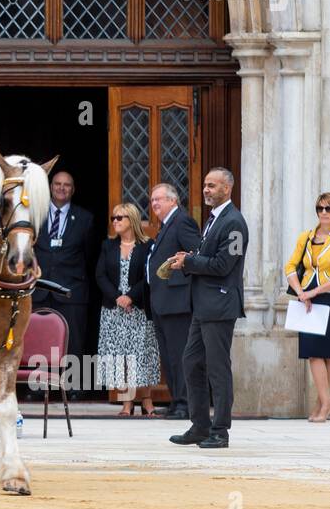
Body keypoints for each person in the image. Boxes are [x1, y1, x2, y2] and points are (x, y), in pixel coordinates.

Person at [166, 167, 248, 449]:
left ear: (228, 188)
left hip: (221, 305)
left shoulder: (234, 223)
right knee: (191, 362)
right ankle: (200, 425)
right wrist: (189, 257)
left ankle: (220, 430)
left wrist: (190, 263)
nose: (207, 190)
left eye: (213, 186)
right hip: (203, 306)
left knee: (217, 368)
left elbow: (225, 265)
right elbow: (209, 257)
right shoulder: (213, 219)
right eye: (205, 185)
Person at [284, 192, 330, 423]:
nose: (324, 212)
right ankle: (327, 403)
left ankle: (322, 404)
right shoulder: (306, 237)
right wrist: (301, 292)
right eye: (320, 208)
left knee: (328, 355)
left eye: (329, 209)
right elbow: (290, 266)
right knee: (313, 352)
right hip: (307, 300)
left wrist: (313, 292)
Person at [31, 170, 97, 381]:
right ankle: (38, 386)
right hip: (39, 289)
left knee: (73, 339)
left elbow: (90, 256)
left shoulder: (85, 218)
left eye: (66, 185)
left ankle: (74, 385)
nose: (61, 188)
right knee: (38, 340)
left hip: (72, 290)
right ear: (50, 187)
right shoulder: (35, 215)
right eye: (57, 184)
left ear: (73, 189)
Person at [95, 203, 158, 416]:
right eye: (113, 218)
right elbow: (100, 275)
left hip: (138, 310)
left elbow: (149, 276)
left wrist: (131, 296)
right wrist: (118, 298)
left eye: (119, 218)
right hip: (114, 311)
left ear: (131, 219)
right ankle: (126, 402)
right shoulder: (108, 245)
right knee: (119, 356)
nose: (115, 221)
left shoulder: (148, 245)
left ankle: (147, 400)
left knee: (142, 354)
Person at [146, 182, 202, 419]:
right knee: (169, 356)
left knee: (180, 355)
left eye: (159, 199)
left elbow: (197, 253)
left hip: (177, 302)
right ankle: (175, 400)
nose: (154, 204)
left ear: (173, 200)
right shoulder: (165, 225)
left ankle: (186, 404)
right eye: (152, 200)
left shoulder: (182, 221)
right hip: (162, 302)